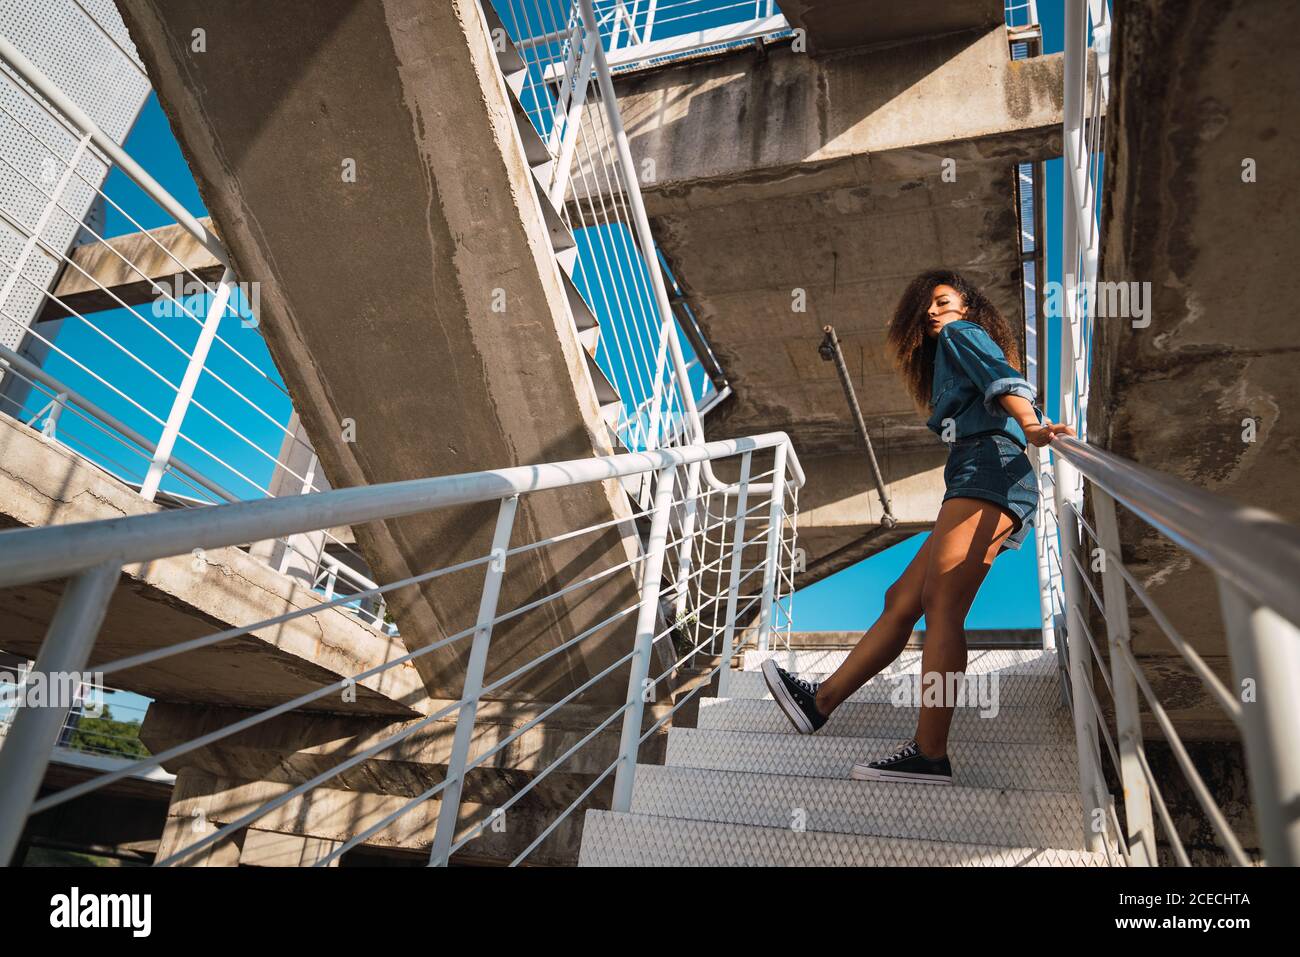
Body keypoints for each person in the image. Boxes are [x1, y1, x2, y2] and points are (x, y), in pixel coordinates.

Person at [762, 269, 1075, 785]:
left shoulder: (962, 333)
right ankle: (819, 702)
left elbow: (1002, 379)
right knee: (901, 599)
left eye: (943, 301)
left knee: (942, 606)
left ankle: (931, 752)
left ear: (967, 308)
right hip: (976, 474)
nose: (932, 312)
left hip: (991, 470)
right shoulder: (950, 348)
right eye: (926, 306)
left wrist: (1033, 424)